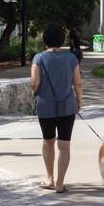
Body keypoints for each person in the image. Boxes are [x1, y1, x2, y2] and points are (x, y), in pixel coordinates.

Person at [30, 23, 83, 194]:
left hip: (46, 106)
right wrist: (79, 101)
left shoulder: (38, 58)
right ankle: (60, 183)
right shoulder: (72, 58)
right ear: (62, 40)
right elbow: (78, 83)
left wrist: (34, 93)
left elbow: (34, 83)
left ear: (45, 39)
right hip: (68, 106)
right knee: (64, 145)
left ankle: (50, 178)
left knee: (48, 141)